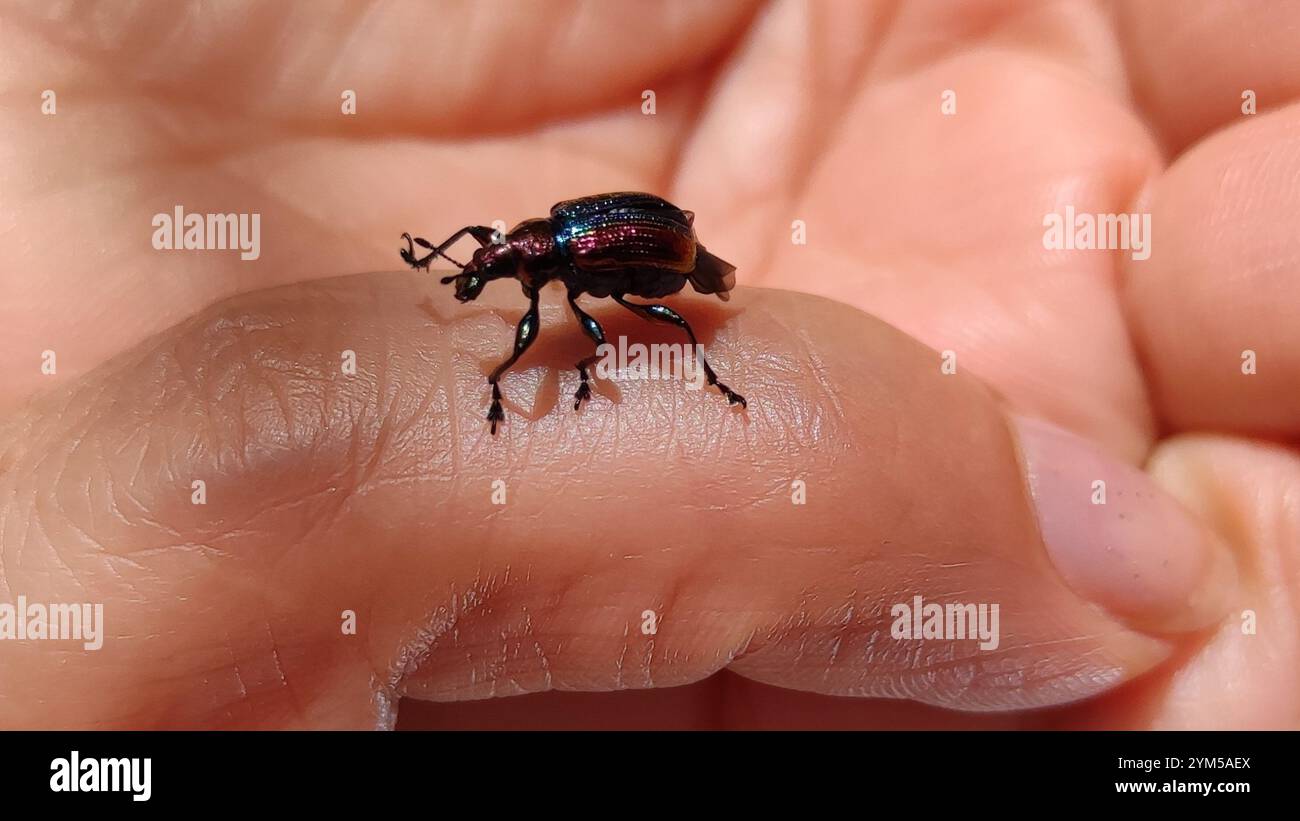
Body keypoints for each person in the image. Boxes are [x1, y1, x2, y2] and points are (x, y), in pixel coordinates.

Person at [0, 0, 1294, 729]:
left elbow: (623, 290)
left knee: (648, 331)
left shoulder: (576, 262)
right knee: (600, 331)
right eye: (489, 268)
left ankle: (714, 378)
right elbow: (512, 282)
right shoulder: (541, 256)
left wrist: (535, 381)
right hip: (644, 242)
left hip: (665, 256)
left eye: (494, 266)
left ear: (530, 258)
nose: (489, 276)